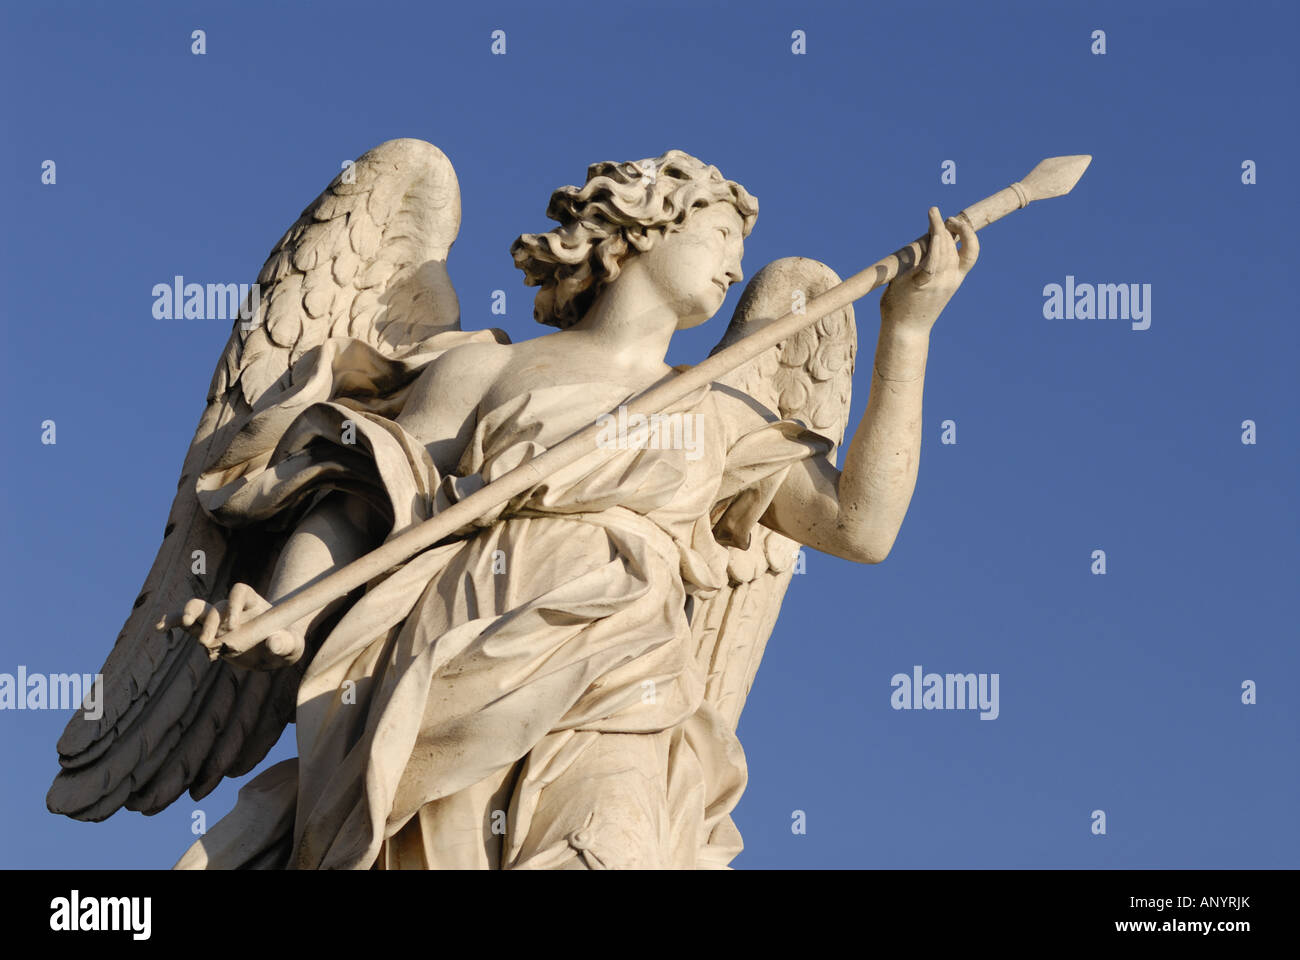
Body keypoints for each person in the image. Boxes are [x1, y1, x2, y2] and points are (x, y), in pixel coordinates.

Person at [169, 149, 978, 869]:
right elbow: (362, 502)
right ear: (642, 227)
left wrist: (906, 334)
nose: (736, 266)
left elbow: (859, 528)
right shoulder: (486, 372)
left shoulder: (723, 409)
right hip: (461, 647)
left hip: (626, 668)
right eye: (720, 236)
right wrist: (286, 608)